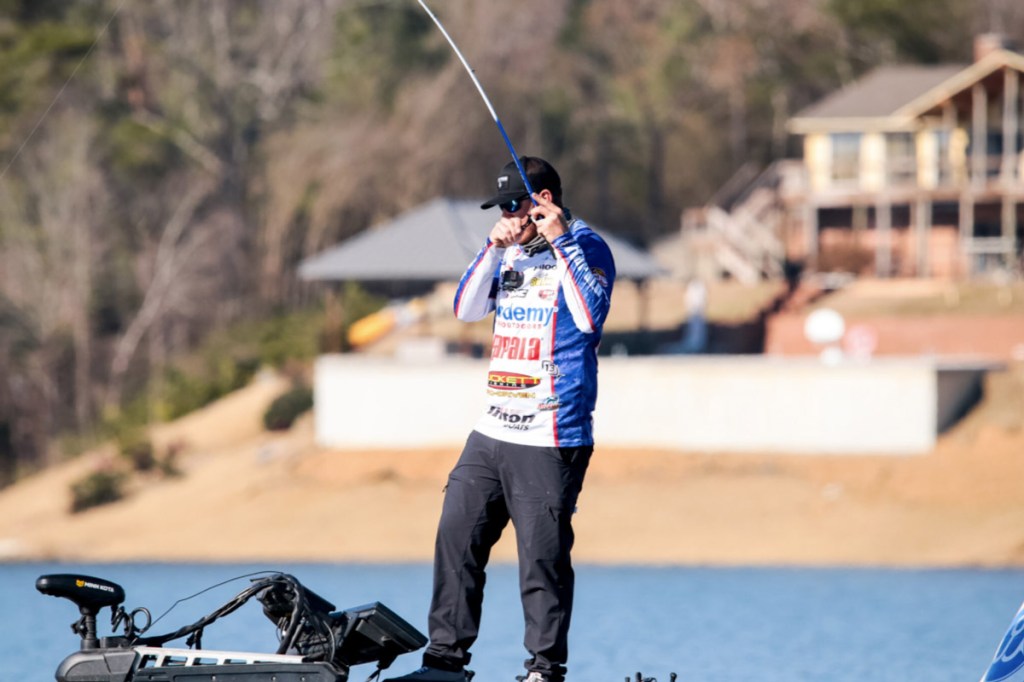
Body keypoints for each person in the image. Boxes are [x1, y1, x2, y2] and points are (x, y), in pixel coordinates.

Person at [385, 157, 615, 682]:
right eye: (503, 207)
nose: (510, 215)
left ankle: (543, 670)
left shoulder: (587, 246)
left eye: (519, 205)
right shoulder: (508, 251)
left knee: (542, 561)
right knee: (456, 539)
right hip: (491, 432)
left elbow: (590, 317)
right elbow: (465, 309)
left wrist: (560, 243)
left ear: (547, 201)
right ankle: (444, 662)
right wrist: (493, 248)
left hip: (550, 433)